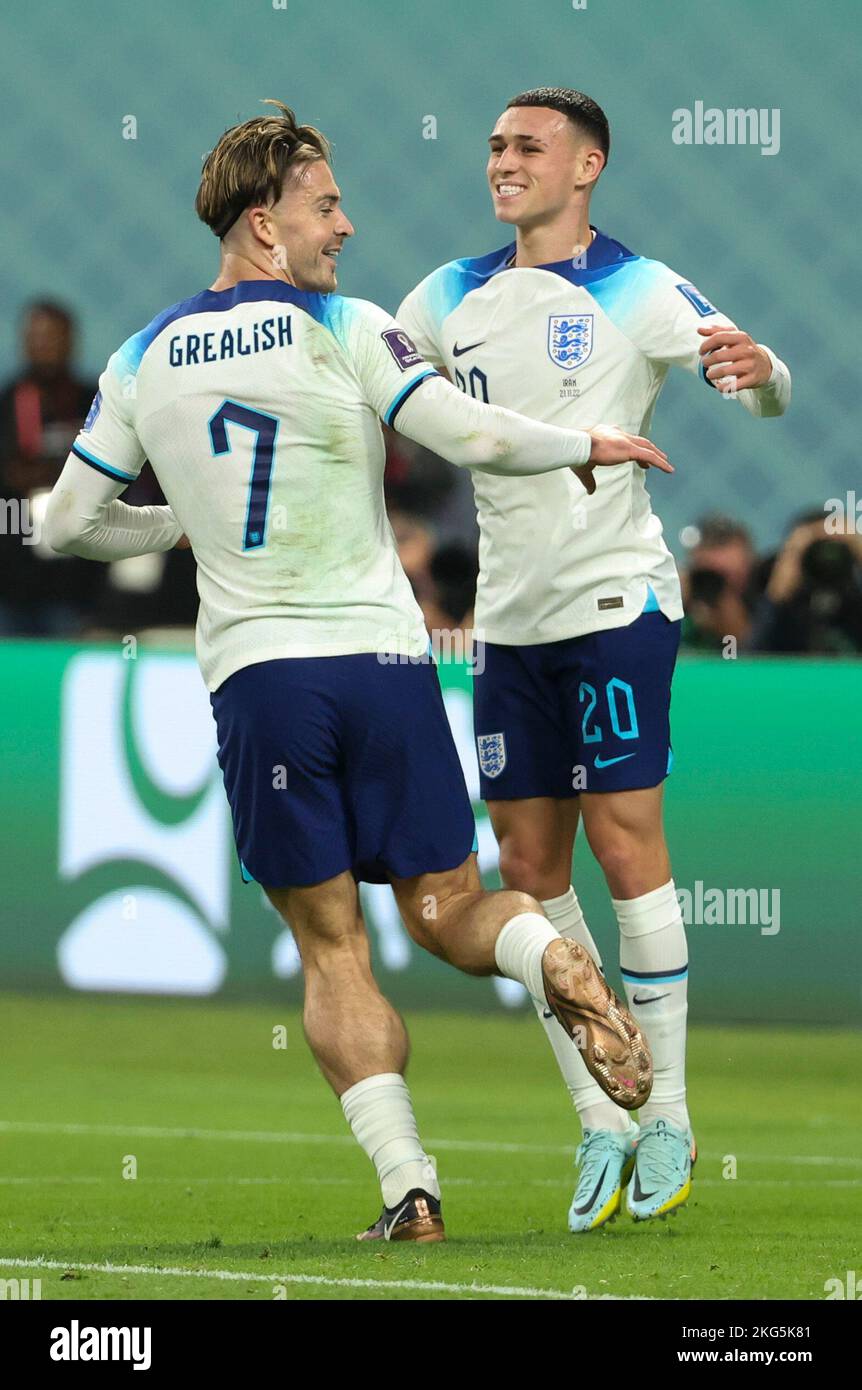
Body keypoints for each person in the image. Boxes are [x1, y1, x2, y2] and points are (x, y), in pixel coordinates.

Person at [45, 101, 668, 1241]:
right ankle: (555, 962)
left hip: (266, 680)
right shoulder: (346, 324)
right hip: (387, 664)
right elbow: (469, 434)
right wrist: (590, 440)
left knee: (332, 946)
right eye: (324, 204)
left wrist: (169, 527)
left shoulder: (143, 357)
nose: (346, 222)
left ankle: (408, 1190)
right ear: (262, 223)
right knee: (450, 908)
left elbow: (63, 523)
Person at [397, 86, 791, 1228]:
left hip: (616, 601)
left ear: (587, 168)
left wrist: (757, 368)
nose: (502, 162)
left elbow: (769, 394)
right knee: (529, 874)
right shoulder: (449, 294)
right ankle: (599, 1119)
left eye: (527, 146)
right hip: (507, 622)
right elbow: (370, 376)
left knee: (626, 844)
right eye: (493, 145)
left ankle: (666, 1108)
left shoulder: (637, 287)